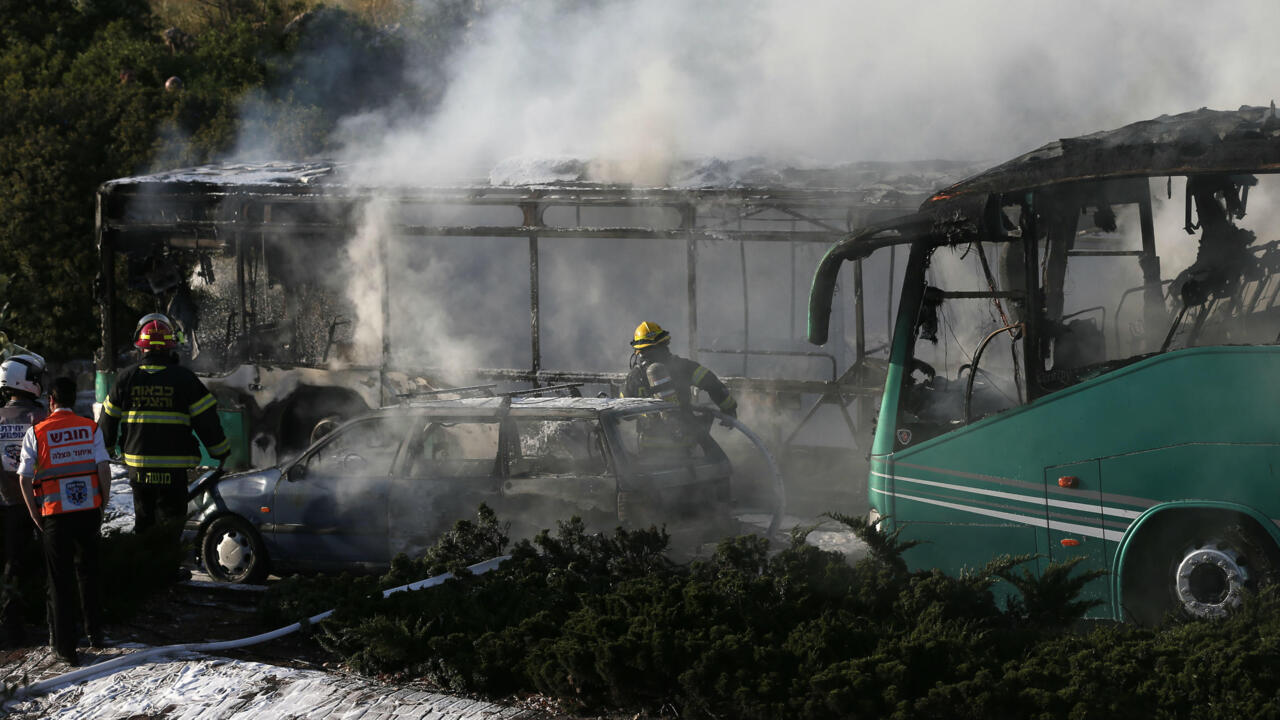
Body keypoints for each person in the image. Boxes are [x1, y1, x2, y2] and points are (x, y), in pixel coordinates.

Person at [99, 314, 229, 580]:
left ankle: (144, 575)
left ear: (140, 347)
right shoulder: (184, 379)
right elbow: (207, 421)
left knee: (144, 521)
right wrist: (220, 451)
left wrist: (107, 450)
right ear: (171, 347)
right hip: (174, 467)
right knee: (172, 522)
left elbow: (107, 421)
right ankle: (167, 572)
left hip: (139, 467)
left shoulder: (126, 378)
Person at [18, 377, 110, 666]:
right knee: (90, 573)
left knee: (60, 581)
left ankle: (66, 648)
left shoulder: (37, 432)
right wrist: (102, 504)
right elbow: (103, 468)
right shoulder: (90, 427)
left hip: (54, 514)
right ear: (72, 400)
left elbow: (23, 476)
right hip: (87, 511)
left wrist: (34, 512)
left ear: (51, 401)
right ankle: (96, 634)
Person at [0, 355, 48, 647]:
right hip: (36, 506)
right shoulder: (41, 419)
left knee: (8, 566)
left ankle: (10, 627)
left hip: (4, 503)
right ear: (26, 380)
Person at [622, 321, 738, 418]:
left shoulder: (635, 376)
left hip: (648, 443)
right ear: (665, 343)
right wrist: (730, 409)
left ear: (639, 351)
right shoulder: (684, 367)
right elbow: (713, 384)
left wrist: (646, 412)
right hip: (685, 439)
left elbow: (624, 412)